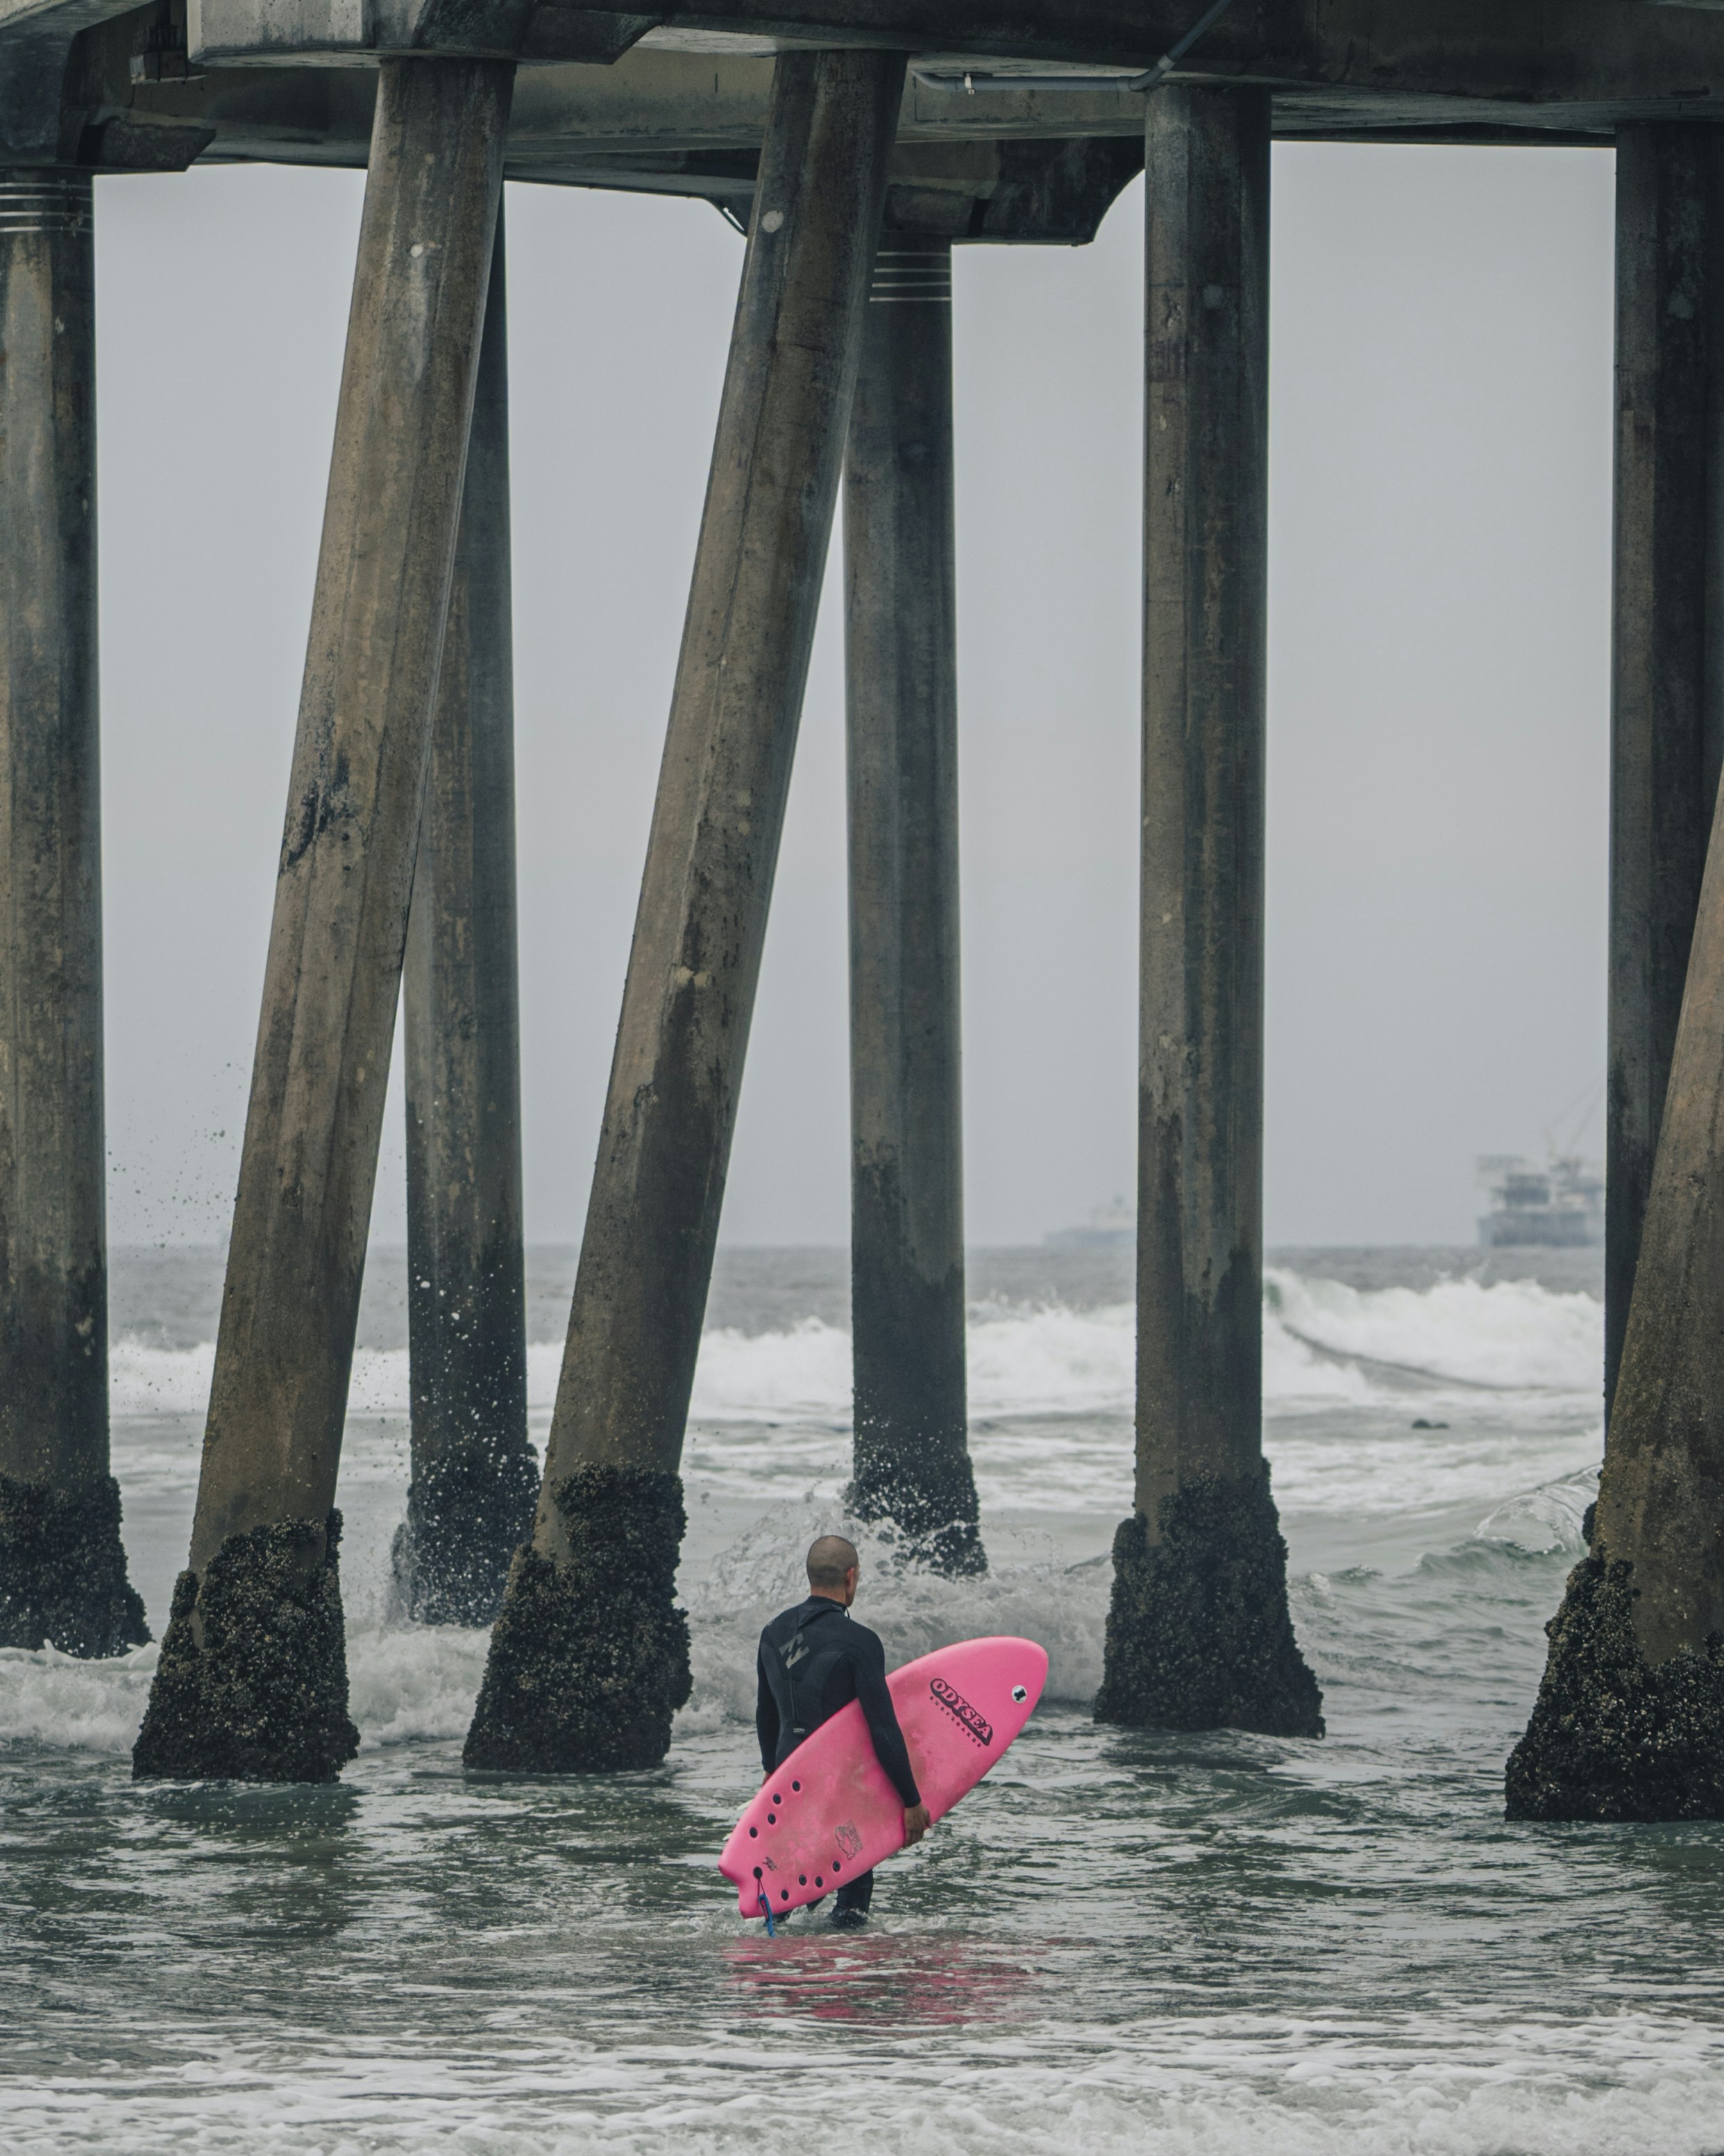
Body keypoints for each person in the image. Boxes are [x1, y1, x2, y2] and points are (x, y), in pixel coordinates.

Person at [756, 1534, 932, 1928]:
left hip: (788, 1775)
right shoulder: (861, 1642)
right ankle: (843, 1970)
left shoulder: (773, 1631)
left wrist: (771, 1770)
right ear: (851, 1577)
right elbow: (883, 1728)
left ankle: (773, 1959)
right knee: (851, 1892)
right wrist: (911, 1800)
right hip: (839, 1784)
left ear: (810, 1575)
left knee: (791, 1883)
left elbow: (766, 1712)